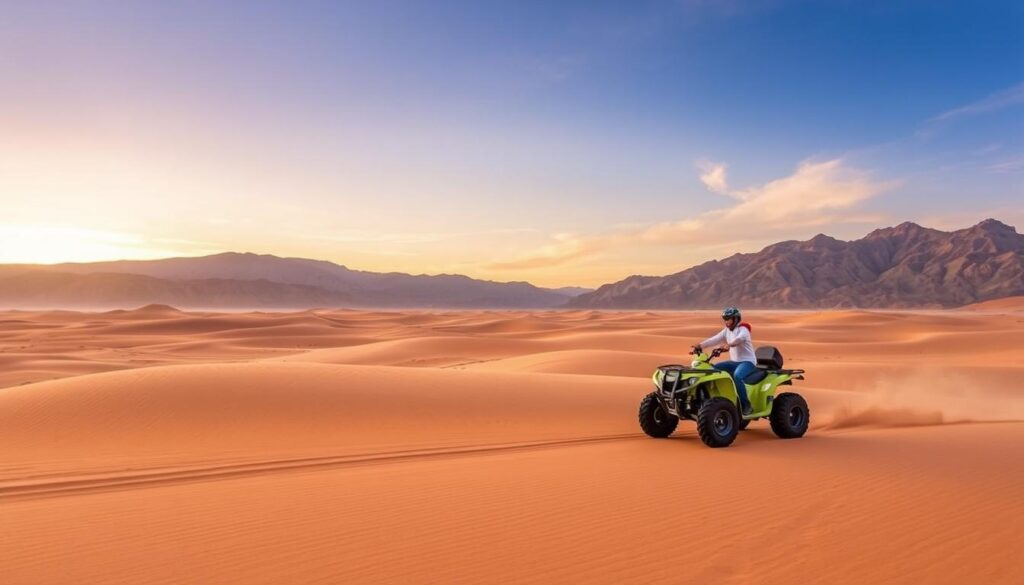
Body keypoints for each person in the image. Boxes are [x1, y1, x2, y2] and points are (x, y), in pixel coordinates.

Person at [693, 307, 756, 415]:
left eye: (729, 319)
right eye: (725, 319)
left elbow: (740, 339)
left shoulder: (743, 329)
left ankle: (746, 405)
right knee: (713, 369)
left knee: (737, 376)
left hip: (747, 362)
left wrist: (729, 345)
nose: (727, 322)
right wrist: (700, 345)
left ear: (736, 319)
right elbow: (714, 339)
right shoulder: (727, 331)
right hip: (734, 362)